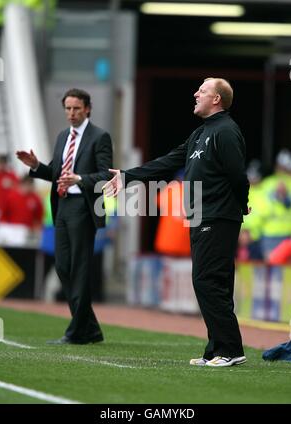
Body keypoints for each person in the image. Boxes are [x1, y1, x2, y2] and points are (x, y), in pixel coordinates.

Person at [103, 77, 250, 367]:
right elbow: (169, 161)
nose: (195, 93)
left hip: (218, 216)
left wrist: (239, 204)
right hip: (201, 216)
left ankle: (231, 349)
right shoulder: (200, 133)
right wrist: (127, 176)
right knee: (210, 282)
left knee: (207, 281)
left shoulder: (226, 131)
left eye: (203, 90)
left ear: (217, 99)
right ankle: (216, 347)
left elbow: (238, 175)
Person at [17, 88, 113, 344]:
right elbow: (57, 174)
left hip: (83, 206)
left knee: (79, 269)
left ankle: (76, 331)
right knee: (62, 267)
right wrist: (37, 166)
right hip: (62, 206)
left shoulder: (100, 137)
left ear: (87, 109)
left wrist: (80, 178)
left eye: (76, 109)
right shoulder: (62, 137)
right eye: (68, 109)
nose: (71, 113)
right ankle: (90, 328)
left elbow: (106, 175)